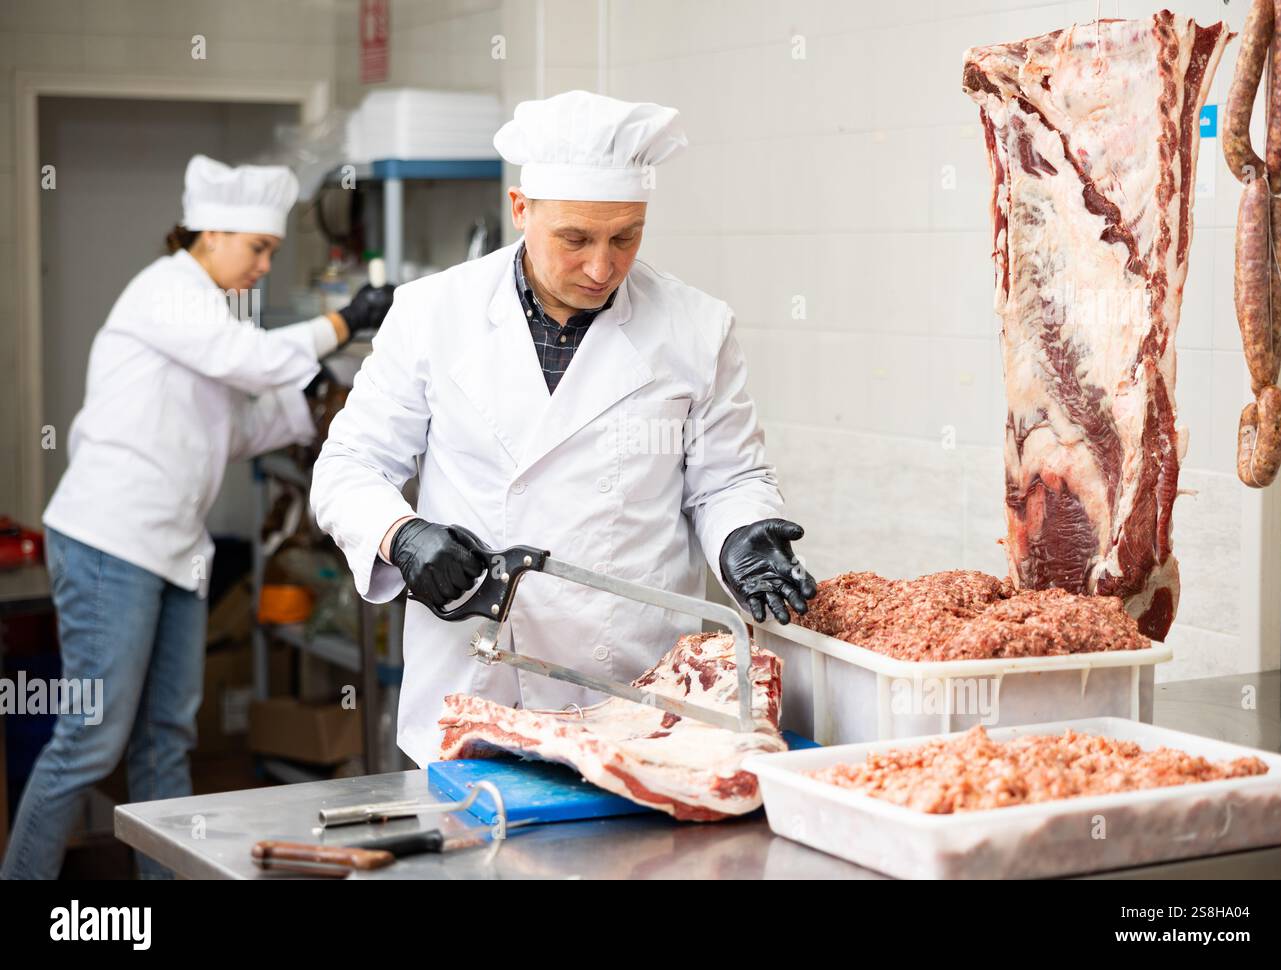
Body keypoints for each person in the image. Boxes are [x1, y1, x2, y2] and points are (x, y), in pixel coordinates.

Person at [311, 91, 816, 766]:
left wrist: (742, 532)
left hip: (631, 697)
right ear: (522, 211)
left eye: (625, 237)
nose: (601, 268)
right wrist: (400, 536)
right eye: (575, 239)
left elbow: (728, 481)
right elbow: (349, 466)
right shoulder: (432, 312)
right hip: (472, 687)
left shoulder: (696, 328)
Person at [1, 155, 394, 880]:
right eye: (259, 249)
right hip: (108, 543)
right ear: (211, 232)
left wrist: (329, 409)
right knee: (90, 740)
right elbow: (248, 361)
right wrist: (344, 321)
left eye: (271, 251)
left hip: (177, 550)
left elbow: (230, 430)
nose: (264, 266)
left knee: (165, 739)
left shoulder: (210, 312)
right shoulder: (169, 294)